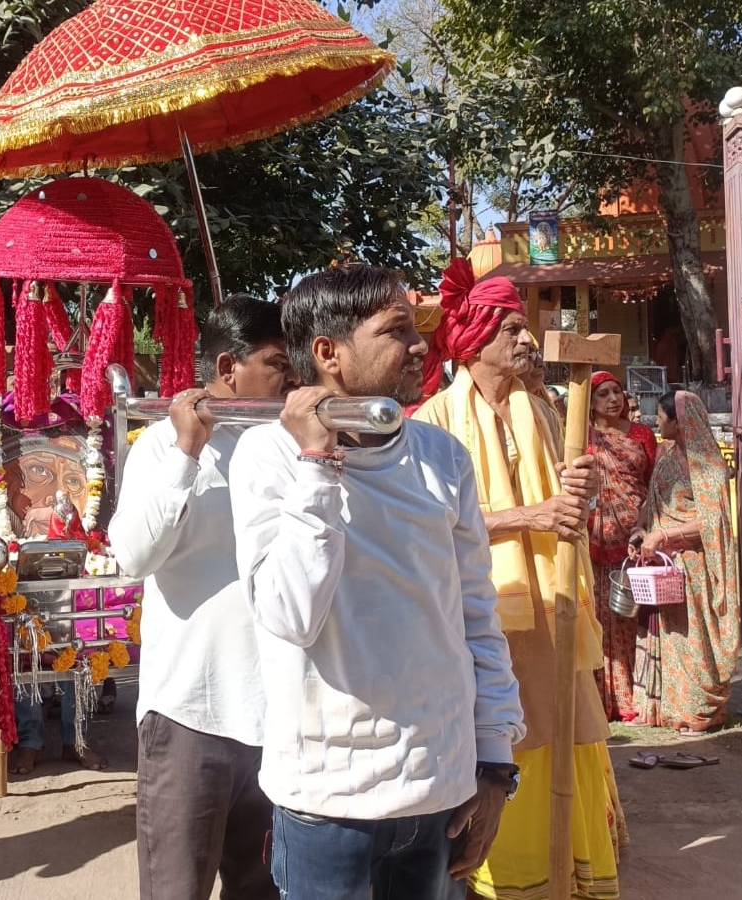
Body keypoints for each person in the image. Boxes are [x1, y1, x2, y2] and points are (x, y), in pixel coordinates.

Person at [230, 265, 525, 900]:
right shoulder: (266, 457)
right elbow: (290, 615)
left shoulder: (442, 456)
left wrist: (496, 759)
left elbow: (476, 614)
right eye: (395, 332)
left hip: (438, 793)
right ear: (327, 354)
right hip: (326, 800)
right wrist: (316, 466)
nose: (421, 346)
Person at [413, 258, 624, 900]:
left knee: (568, 739)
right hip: (485, 621)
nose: (527, 340)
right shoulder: (430, 422)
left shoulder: (544, 410)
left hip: (556, 608)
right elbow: (433, 526)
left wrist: (577, 491)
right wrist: (531, 515)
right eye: (511, 328)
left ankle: (568, 877)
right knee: (503, 749)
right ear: (475, 338)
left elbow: (565, 503)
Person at [109, 295, 298, 900]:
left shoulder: (292, 446)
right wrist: (188, 452)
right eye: (277, 362)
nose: (292, 377)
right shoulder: (160, 447)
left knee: (264, 889)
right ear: (227, 368)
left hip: (280, 714)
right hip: (191, 711)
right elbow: (133, 557)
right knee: (175, 890)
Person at [629, 391, 739, 732]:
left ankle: (700, 710)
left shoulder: (706, 462)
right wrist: (641, 527)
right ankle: (669, 709)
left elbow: (712, 519)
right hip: (663, 564)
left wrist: (665, 536)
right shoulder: (667, 452)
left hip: (693, 563)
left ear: (679, 421)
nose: (657, 424)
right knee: (668, 636)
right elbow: (653, 498)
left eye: (661, 419)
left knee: (694, 635)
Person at [588, 371, 657, 722]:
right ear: (590, 403)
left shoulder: (642, 435)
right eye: (603, 394)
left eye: (617, 392)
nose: (613, 399)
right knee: (601, 616)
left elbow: (654, 483)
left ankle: (640, 696)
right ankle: (605, 697)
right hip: (596, 535)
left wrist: (646, 527)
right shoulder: (583, 438)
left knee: (637, 615)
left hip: (638, 533)